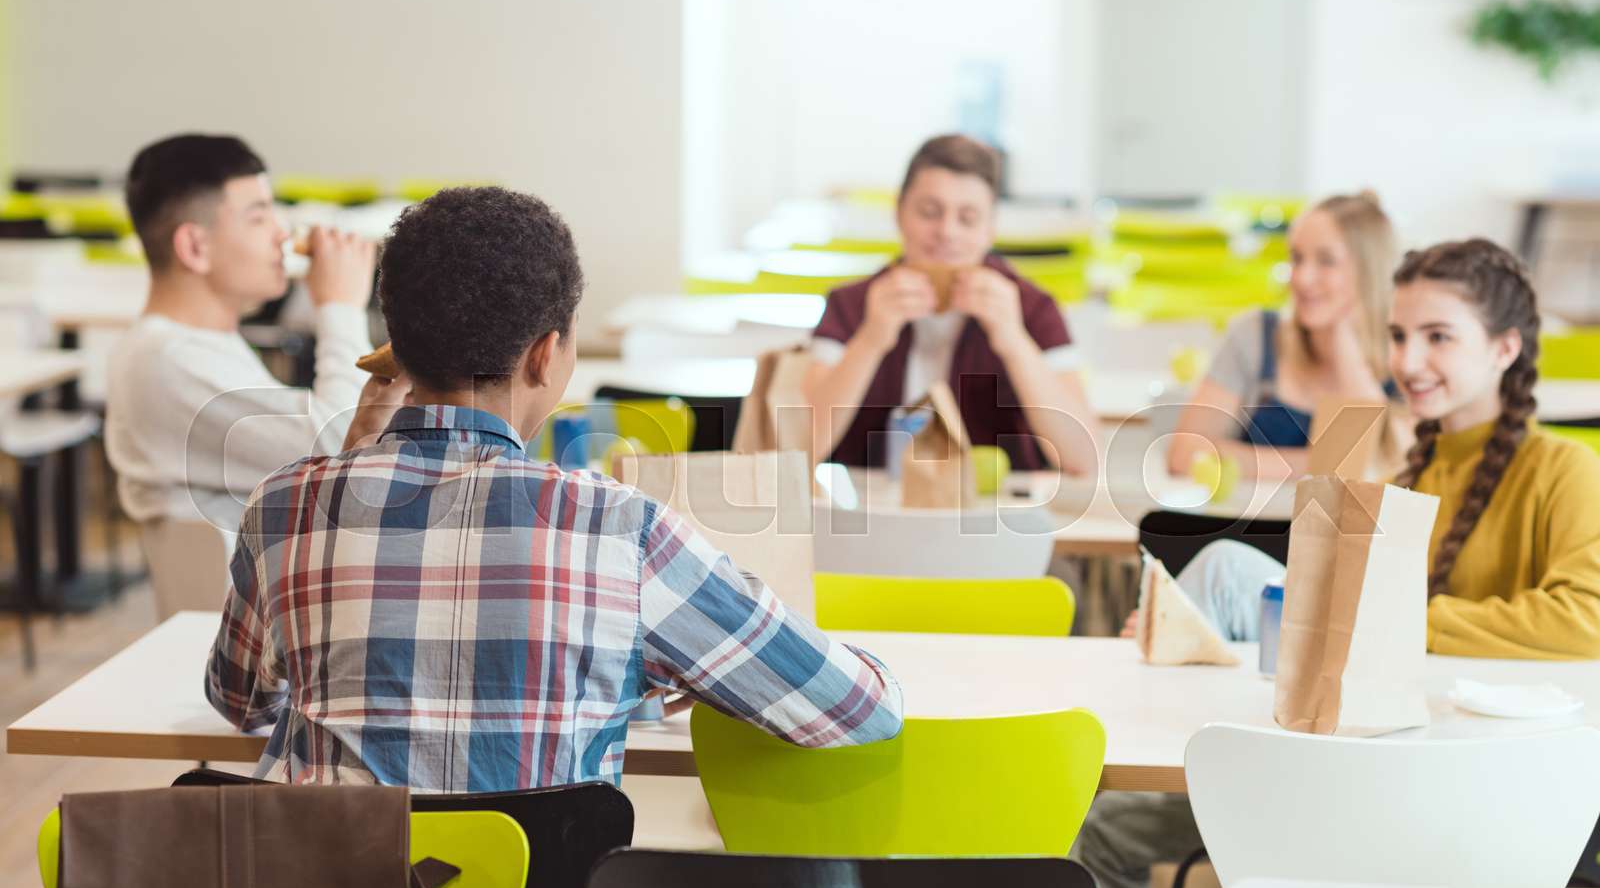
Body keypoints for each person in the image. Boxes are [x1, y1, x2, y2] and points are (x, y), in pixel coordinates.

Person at [204, 186, 904, 788]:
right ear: (547, 355)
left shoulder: (286, 504)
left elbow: (242, 702)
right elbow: (857, 709)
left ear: (395, 348)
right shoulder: (619, 531)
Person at [1077, 237, 1600, 888]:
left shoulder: (1566, 470)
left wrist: (1389, 626)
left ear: (1506, 347)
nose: (1409, 361)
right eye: (1398, 336)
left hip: (1451, 791)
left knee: (1104, 829)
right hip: (1376, 750)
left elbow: (1584, 617)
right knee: (1228, 570)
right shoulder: (1415, 464)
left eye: (1439, 337)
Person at [106, 133, 397, 533]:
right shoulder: (169, 360)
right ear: (194, 246)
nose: (282, 233)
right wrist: (338, 305)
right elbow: (340, 444)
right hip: (257, 592)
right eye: (259, 216)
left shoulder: (192, 346)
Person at [802, 134, 1098, 474]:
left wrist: (1014, 341)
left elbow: (1084, 460)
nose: (947, 232)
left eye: (968, 218)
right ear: (899, 214)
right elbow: (800, 449)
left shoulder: (1032, 309)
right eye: (929, 212)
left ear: (990, 229)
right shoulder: (850, 306)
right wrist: (870, 341)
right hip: (871, 514)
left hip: (997, 517)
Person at [1167, 192, 1405, 481]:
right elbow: (1185, 454)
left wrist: (1346, 345)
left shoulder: (1407, 356)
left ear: (1371, 272)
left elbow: (1383, 471)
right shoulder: (1256, 335)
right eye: (1297, 258)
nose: (1302, 277)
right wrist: (1319, 465)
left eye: (1326, 261)